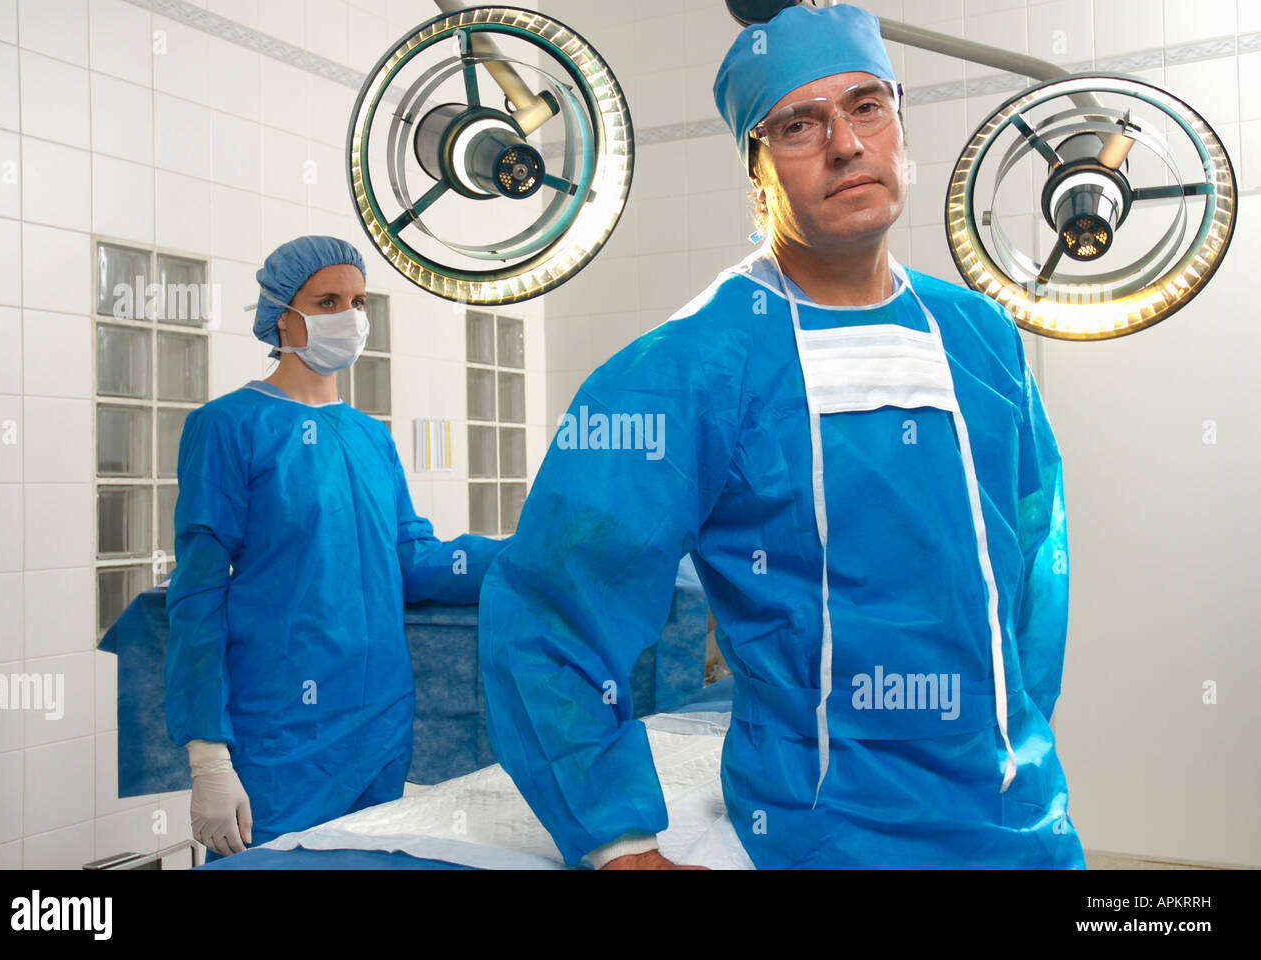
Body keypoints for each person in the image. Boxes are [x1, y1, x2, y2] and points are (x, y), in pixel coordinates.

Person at [478, 4, 1085, 869]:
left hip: (1020, 823)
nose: (845, 144)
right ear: (756, 170)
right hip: (819, 835)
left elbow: (1035, 567)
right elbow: (546, 612)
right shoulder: (686, 367)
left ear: (898, 127)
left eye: (867, 106)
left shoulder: (981, 335)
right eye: (800, 125)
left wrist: (1021, 732)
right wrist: (615, 841)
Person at [165, 235, 506, 859]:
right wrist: (208, 759)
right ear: (281, 316)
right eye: (327, 301)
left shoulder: (371, 438)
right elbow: (198, 591)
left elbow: (408, 559)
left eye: (357, 300)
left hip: (379, 723)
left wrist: (528, 556)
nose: (348, 317)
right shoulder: (228, 426)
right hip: (281, 730)